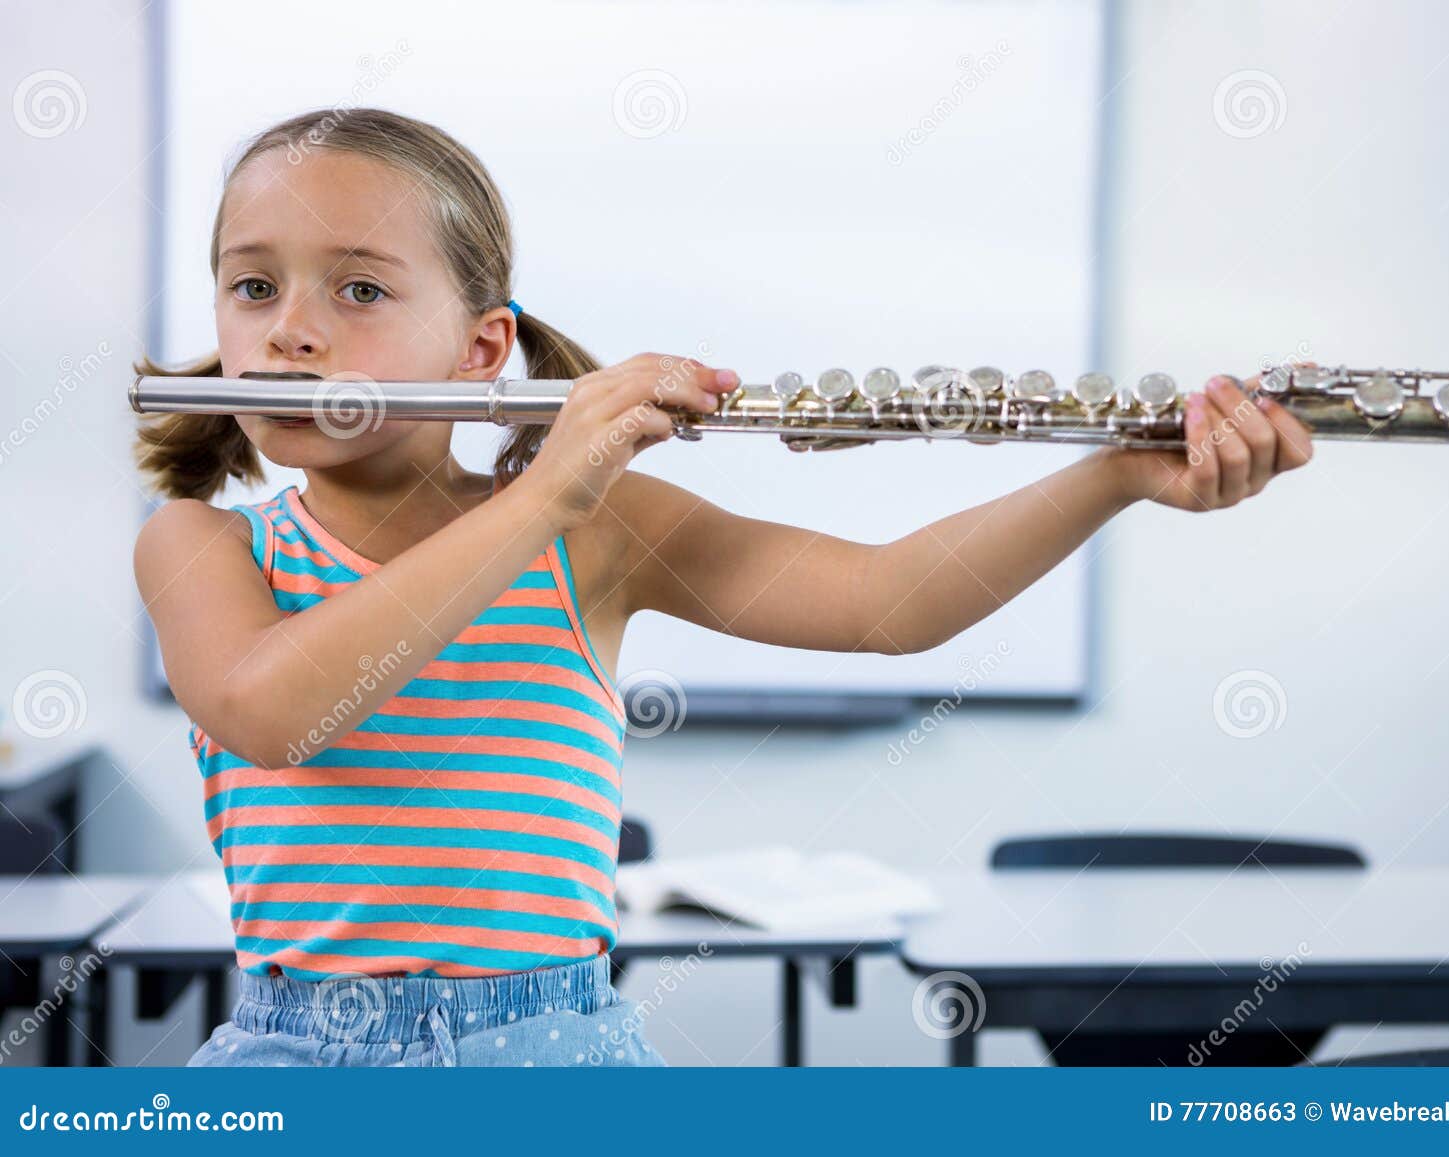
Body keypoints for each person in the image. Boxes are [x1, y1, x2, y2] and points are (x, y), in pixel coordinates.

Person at [132, 107, 1312, 1067]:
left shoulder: (597, 535)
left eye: (359, 291)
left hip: (553, 1053)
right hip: (297, 1059)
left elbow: (886, 604)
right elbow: (275, 710)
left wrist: (1110, 476)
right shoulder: (198, 542)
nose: (289, 334)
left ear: (482, 349)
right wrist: (545, 493)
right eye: (253, 288)